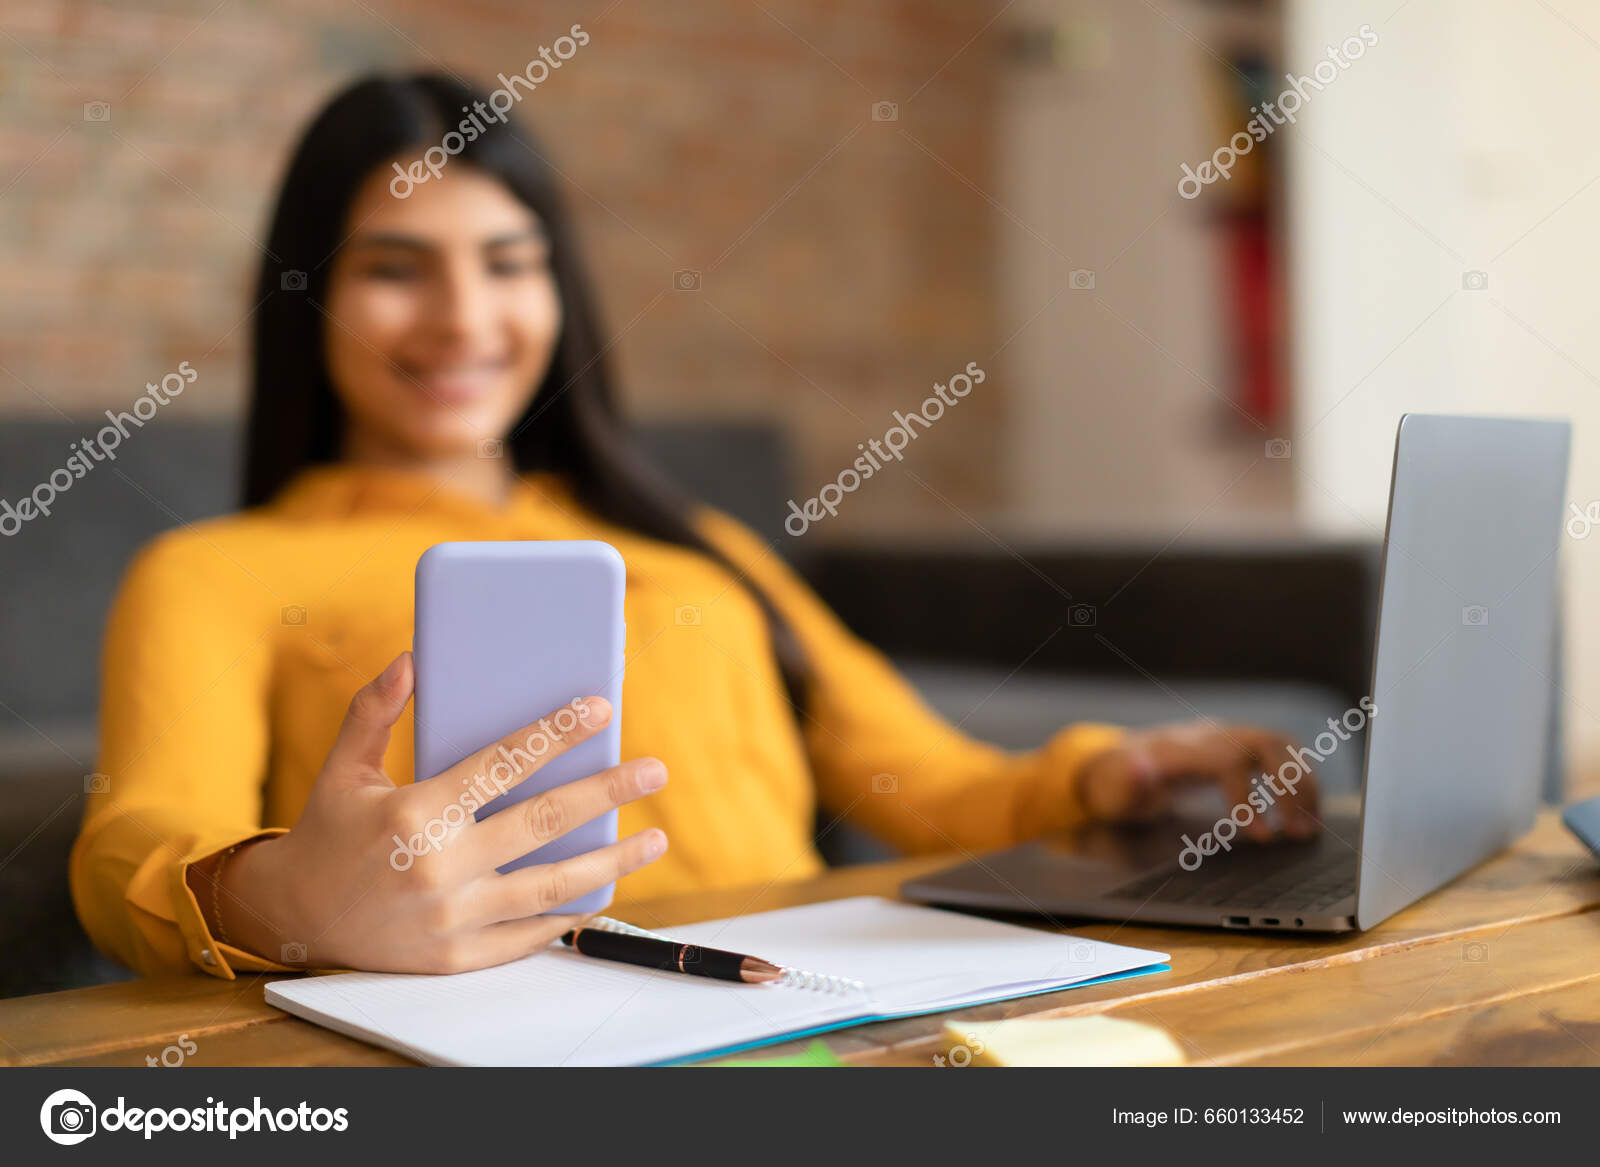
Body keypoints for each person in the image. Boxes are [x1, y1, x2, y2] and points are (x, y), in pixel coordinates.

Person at [70, 74, 1318, 981]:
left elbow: (931, 781)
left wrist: (1121, 768)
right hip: (495, 1049)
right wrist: (280, 897)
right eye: (397, 268)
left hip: (804, 1012)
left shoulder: (696, 546)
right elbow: (132, 843)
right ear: (308, 299)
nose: (464, 316)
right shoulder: (214, 575)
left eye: (509, 262)